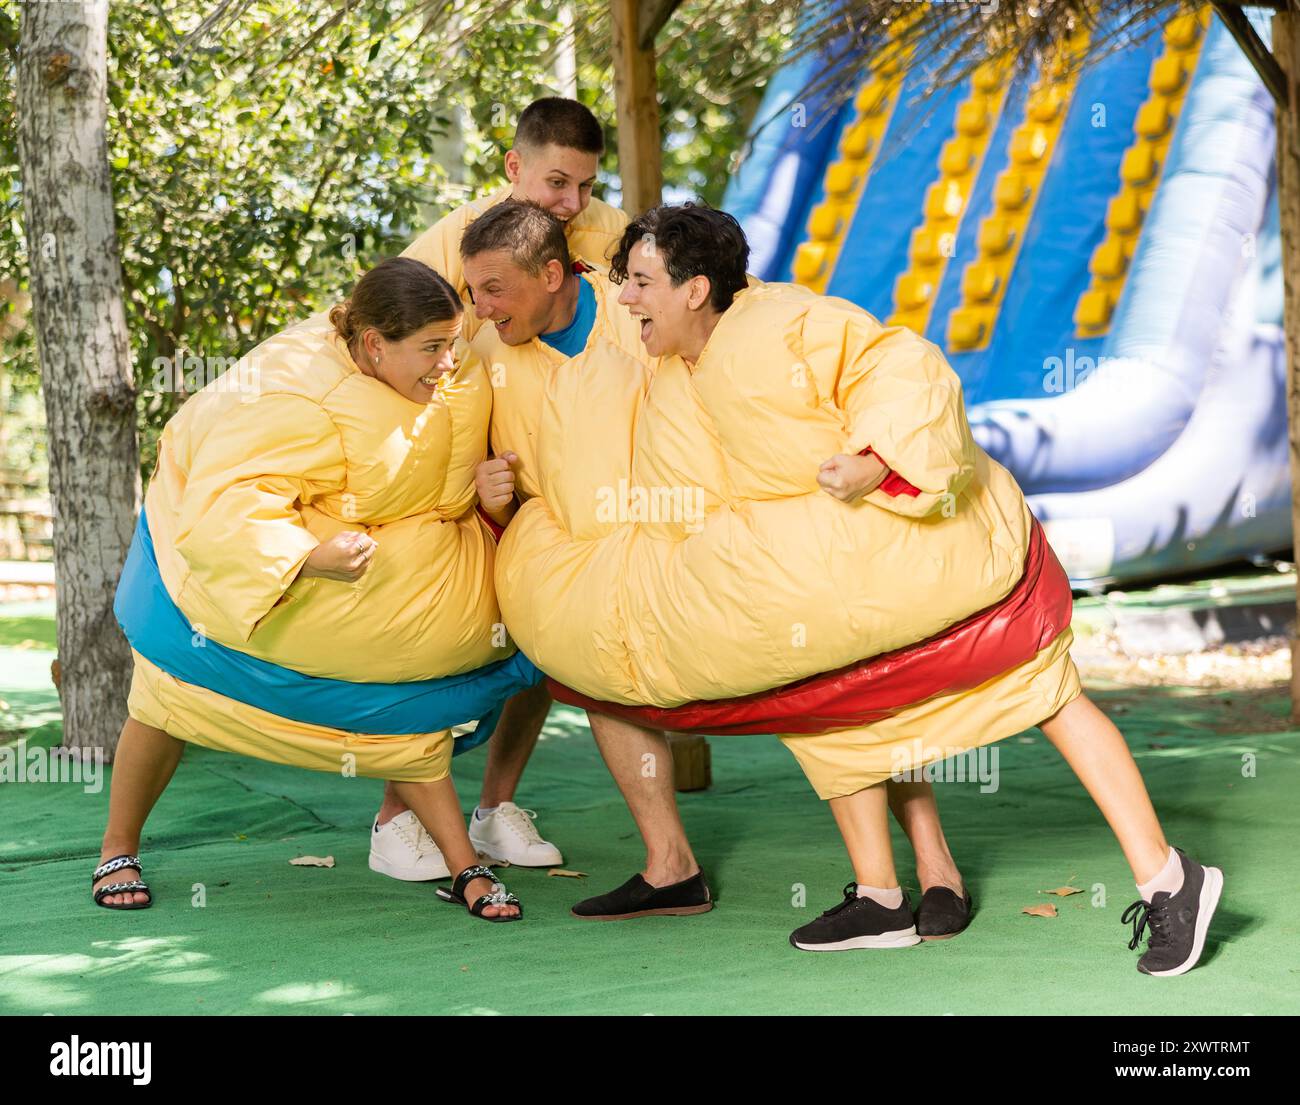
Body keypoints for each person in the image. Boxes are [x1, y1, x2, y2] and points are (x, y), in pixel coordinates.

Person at [493, 203, 1223, 974]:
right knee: (829, 706)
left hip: (925, 553)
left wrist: (877, 461)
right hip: (827, 590)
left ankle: (1172, 878)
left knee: (1047, 697)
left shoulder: (787, 322)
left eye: (642, 283)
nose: (628, 299)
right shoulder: (669, 374)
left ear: (697, 288)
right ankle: (880, 896)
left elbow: (902, 367)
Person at [465, 199, 977, 938]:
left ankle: (932, 868)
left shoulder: (634, 300)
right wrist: (499, 502)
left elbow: (747, 334)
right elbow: (522, 472)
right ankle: (669, 865)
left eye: (493, 290)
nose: (481, 311)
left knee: (833, 670)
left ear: (550, 275)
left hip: (730, 523)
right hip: (616, 555)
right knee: (593, 657)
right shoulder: (491, 363)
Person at [97, 257, 537, 922]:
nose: (450, 360)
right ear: (372, 345)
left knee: (410, 721)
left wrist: (489, 507)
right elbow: (226, 509)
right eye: (431, 348)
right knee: (165, 695)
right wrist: (308, 559)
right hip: (229, 593)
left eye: (453, 342)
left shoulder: (454, 376)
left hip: (413, 604)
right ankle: (116, 848)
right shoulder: (303, 399)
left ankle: (461, 864)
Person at [370, 96, 630, 878]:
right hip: (459, 461)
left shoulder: (604, 235)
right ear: (514, 167)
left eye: (585, 186)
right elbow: (383, 319)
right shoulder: (457, 238)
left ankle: (491, 809)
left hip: (538, 465)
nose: (570, 202)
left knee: (535, 644)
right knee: (459, 647)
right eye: (556, 182)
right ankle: (394, 816)